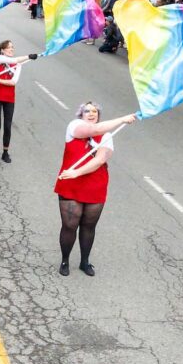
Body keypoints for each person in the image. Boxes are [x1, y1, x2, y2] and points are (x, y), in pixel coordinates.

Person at [54, 102, 138, 276]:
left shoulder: (108, 135)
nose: (91, 114)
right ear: (81, 114)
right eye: (87, 111)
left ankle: (85, 261)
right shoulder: (74, 126)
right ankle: (65, 260)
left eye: (95, 111)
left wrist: (77, 172)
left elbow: (99, 160)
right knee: (70, 224)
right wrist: (123, 118)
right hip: (71, 184)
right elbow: (94, 130)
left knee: (89, 225)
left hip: (94, 184)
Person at [0, 41, 32, 163]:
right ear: (2, 50)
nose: (11, 49)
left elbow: (13, 82)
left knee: (7, 127)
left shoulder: (17, 65)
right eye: (8, 48)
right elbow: (13, 61)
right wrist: (28, 56)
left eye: (12, 47)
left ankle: (5, 152)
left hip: (9, 98)